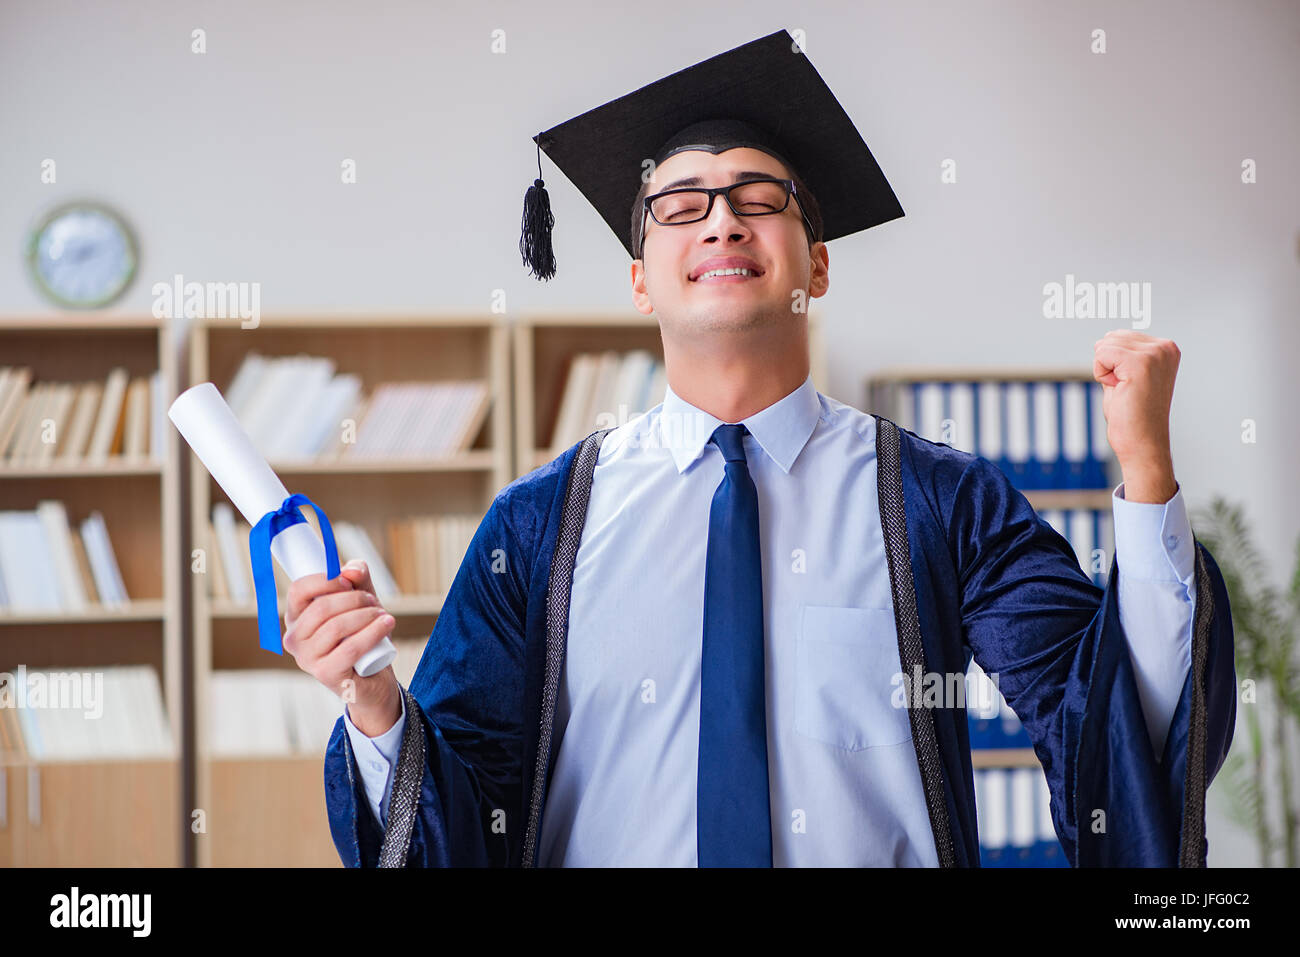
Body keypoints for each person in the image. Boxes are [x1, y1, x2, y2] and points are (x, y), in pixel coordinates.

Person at [285, 30, 1236, 867]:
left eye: (758, 197)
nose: (723, 220)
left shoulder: (943, 502)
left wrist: (1146, 480)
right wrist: (372, 701)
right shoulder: (536, 528)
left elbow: (1111, 722)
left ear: (814, 266)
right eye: (681, 206)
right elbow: (463, 815)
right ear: (640, 283)